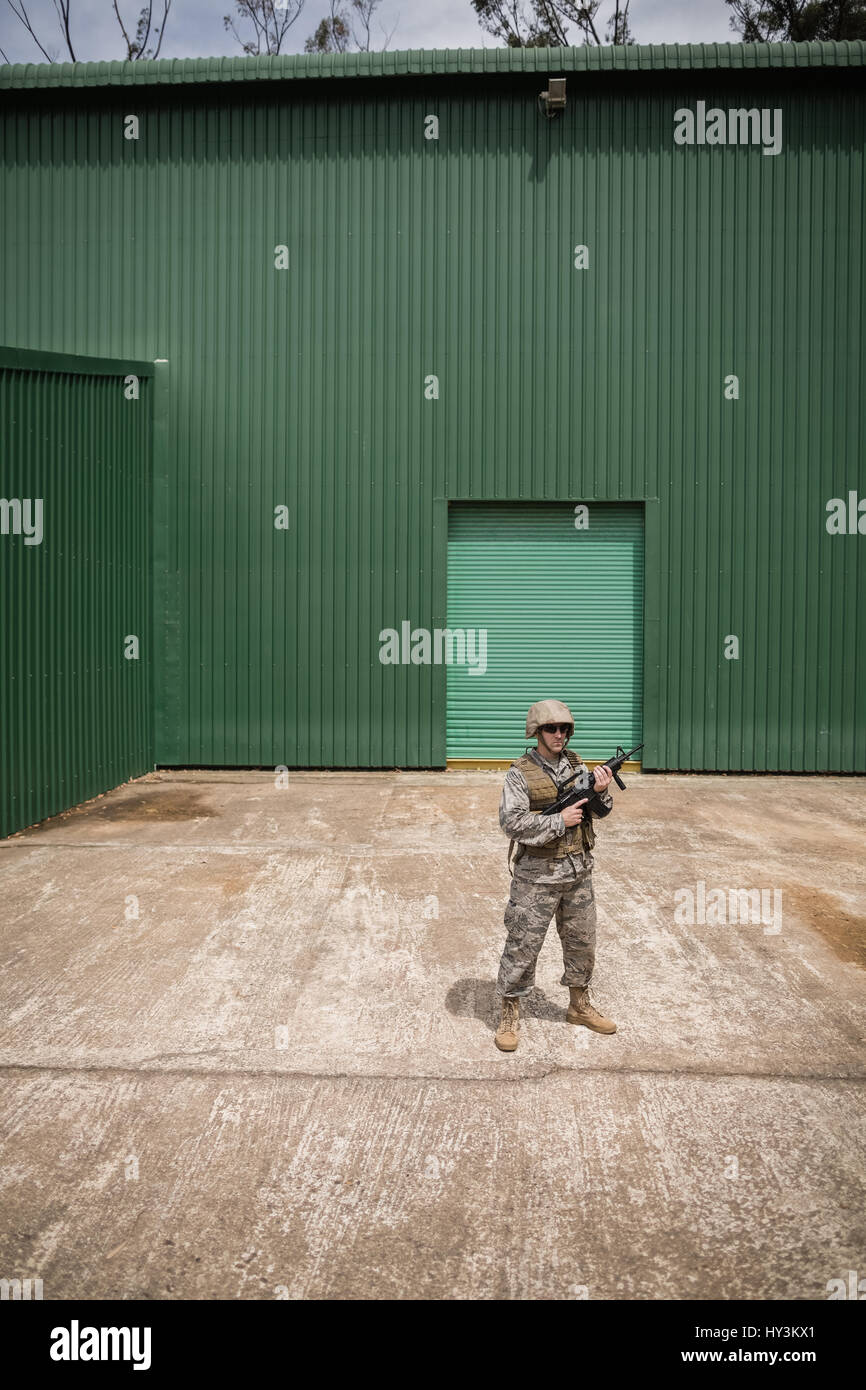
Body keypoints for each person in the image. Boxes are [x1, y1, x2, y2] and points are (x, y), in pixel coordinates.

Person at [494, 699, 617, 1052]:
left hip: (578, 871)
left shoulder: (578, 765)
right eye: (552, 729)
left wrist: (600, 792)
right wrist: (556, 821)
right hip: (536, 877)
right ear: (537, 732)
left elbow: (602, 811)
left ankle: (579, 1006)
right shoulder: (520, 773)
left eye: (564, 728)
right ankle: (509, 1011)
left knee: (582, 942)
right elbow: (511, 822)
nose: (559, 735)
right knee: (522, 945)